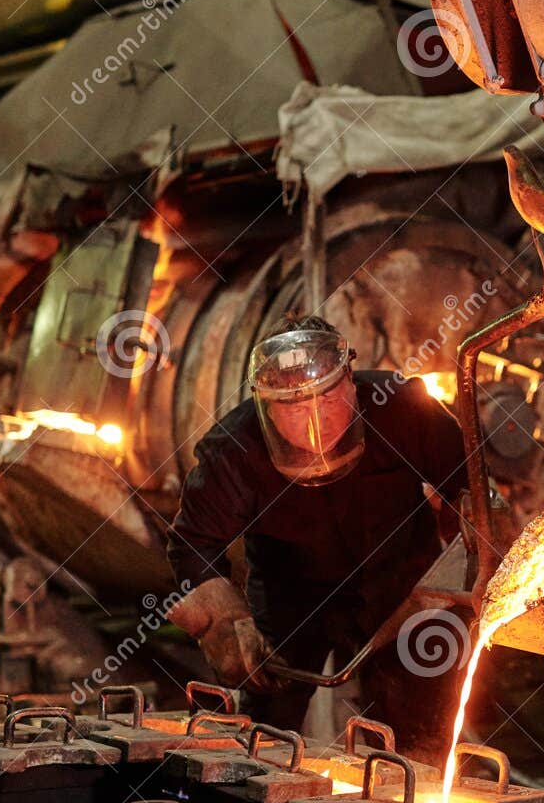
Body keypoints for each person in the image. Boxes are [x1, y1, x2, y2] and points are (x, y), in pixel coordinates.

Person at [165, 318, 467, 745]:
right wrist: (225, 623)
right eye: (293, 407)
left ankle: (410, 802)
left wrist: (465, 564)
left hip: (402, 588)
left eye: (327, 398)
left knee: (415, 724)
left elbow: (469, 486)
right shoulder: (233, 450)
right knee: (268, 724)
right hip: (291, 595)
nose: (315, 422)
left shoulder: (404, 409)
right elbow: (194, 543)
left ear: (350, 381)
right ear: (266, 405)